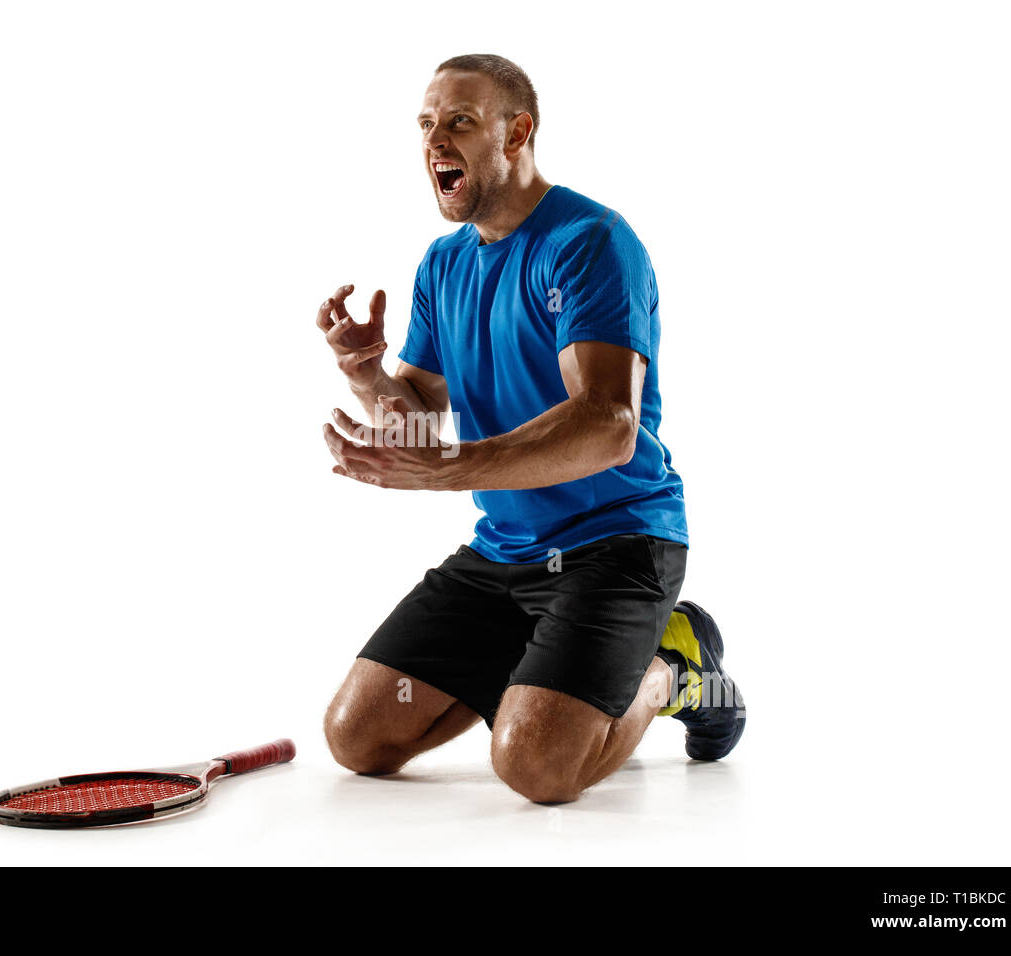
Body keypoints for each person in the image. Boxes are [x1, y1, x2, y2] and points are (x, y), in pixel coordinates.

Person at [317, 54, 745, 804]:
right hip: (507, 554)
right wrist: (367, 377)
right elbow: (419, 424)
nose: (434, 141)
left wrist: (456, 469)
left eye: (460, 122)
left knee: (536, 769)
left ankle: (674, 666)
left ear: (517, 133)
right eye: (425, 124)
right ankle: (547, 668)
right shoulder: (444, 265)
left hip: (617, 543)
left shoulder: (589, 241)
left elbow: (609, 425)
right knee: (359, 739)